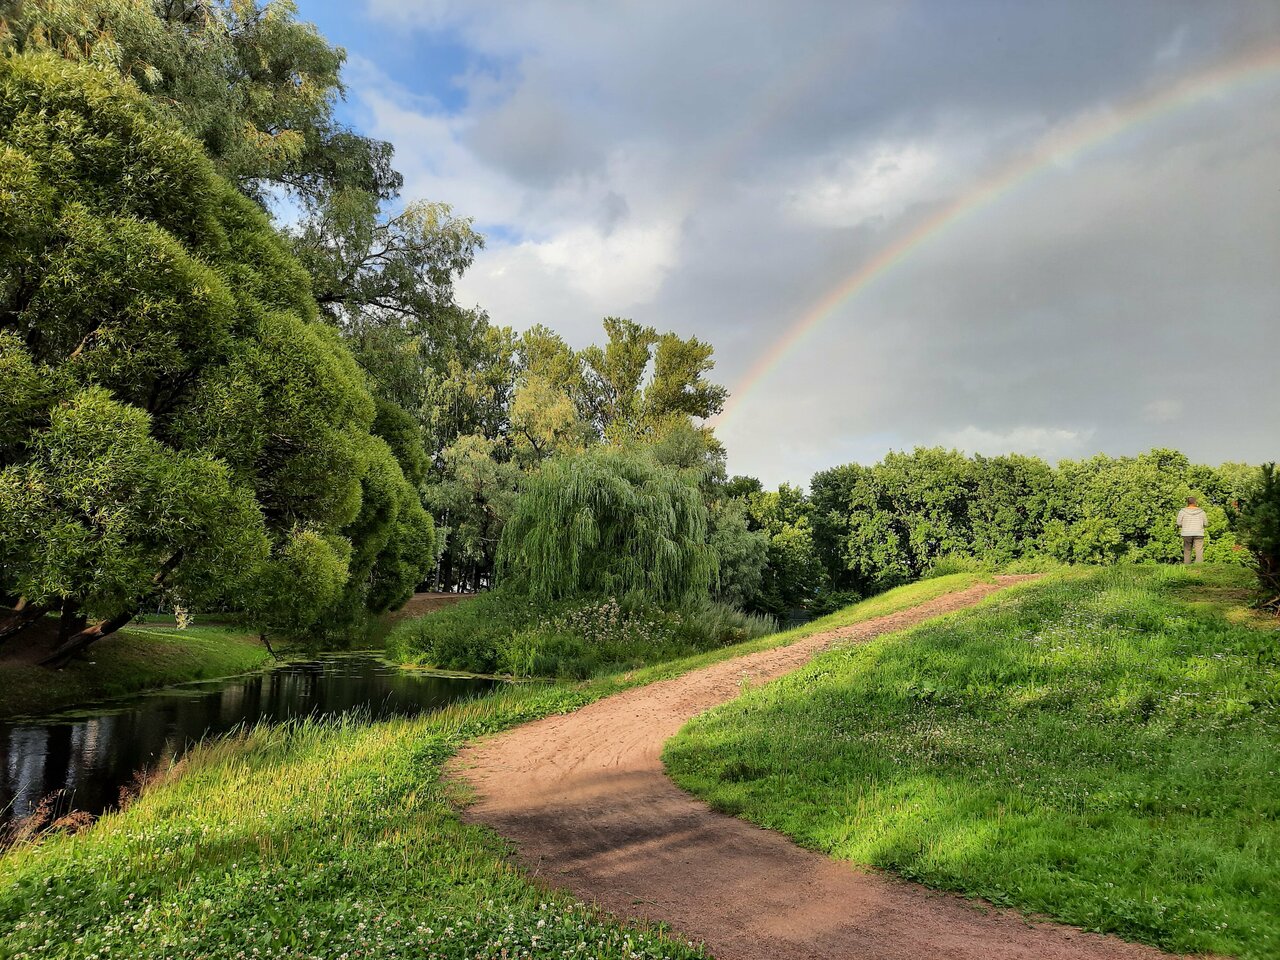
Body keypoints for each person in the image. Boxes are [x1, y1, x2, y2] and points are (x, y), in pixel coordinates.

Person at [1176, 496, 1207, 564]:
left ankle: (1187, 565)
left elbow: (1178, 523)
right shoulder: (1202, 512)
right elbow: (1206, 523)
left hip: (1186, 533)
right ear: (1195, 502)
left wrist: (1184, 525)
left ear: (1187, 502)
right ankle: (1199, 566)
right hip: (1199, 533)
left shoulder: (1182, 511)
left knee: (1187, 550)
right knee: (1199, 550)